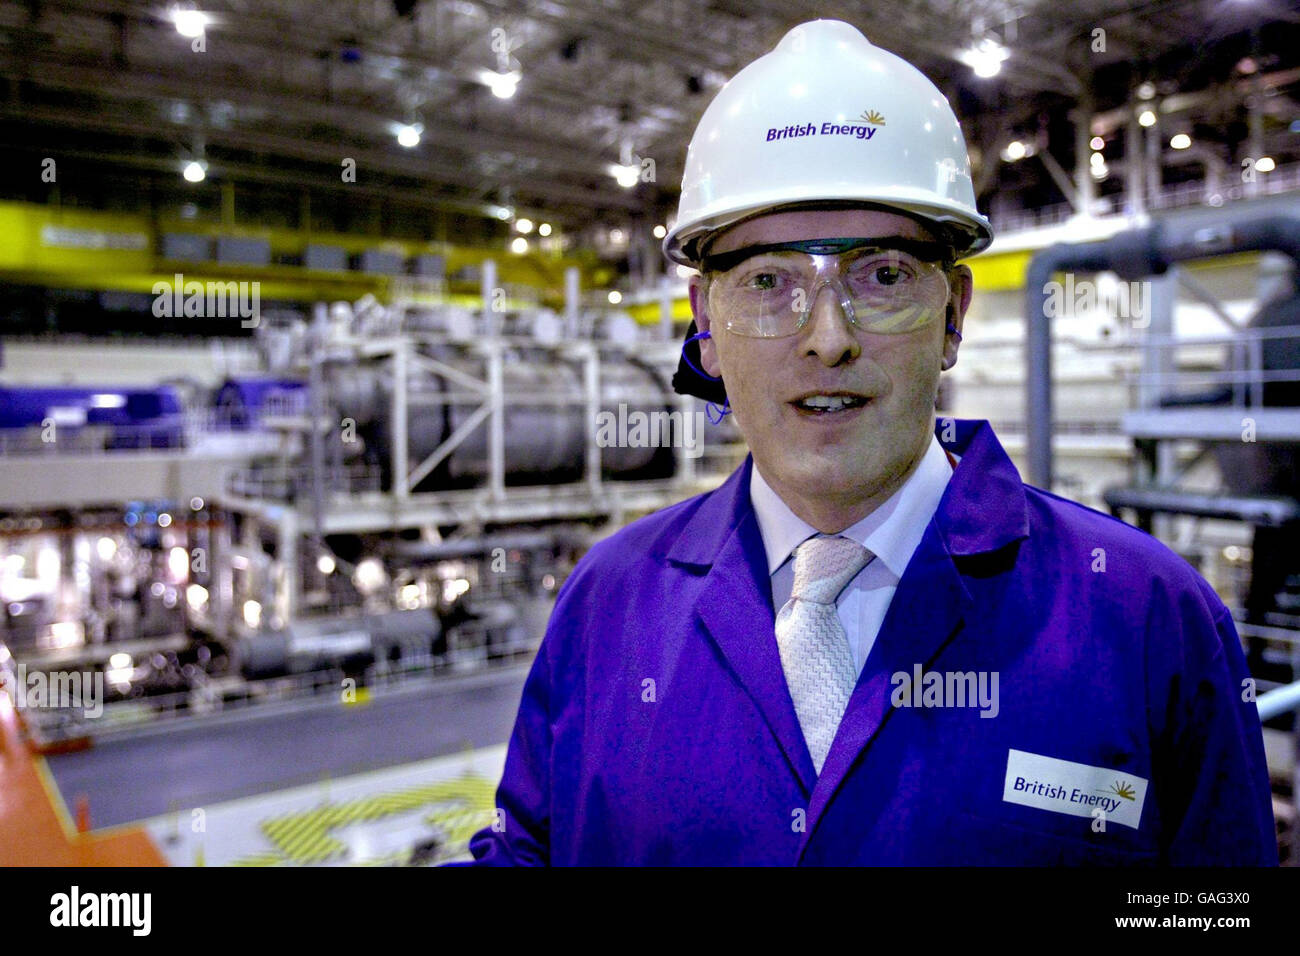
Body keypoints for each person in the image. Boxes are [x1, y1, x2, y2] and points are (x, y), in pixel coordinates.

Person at [462, 19, 1277, 865]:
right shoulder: (608, 604)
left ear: (953, 316)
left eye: (881, 275)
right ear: (705, 325)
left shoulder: (1149, 622)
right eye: (768, 283)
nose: (826, 340)